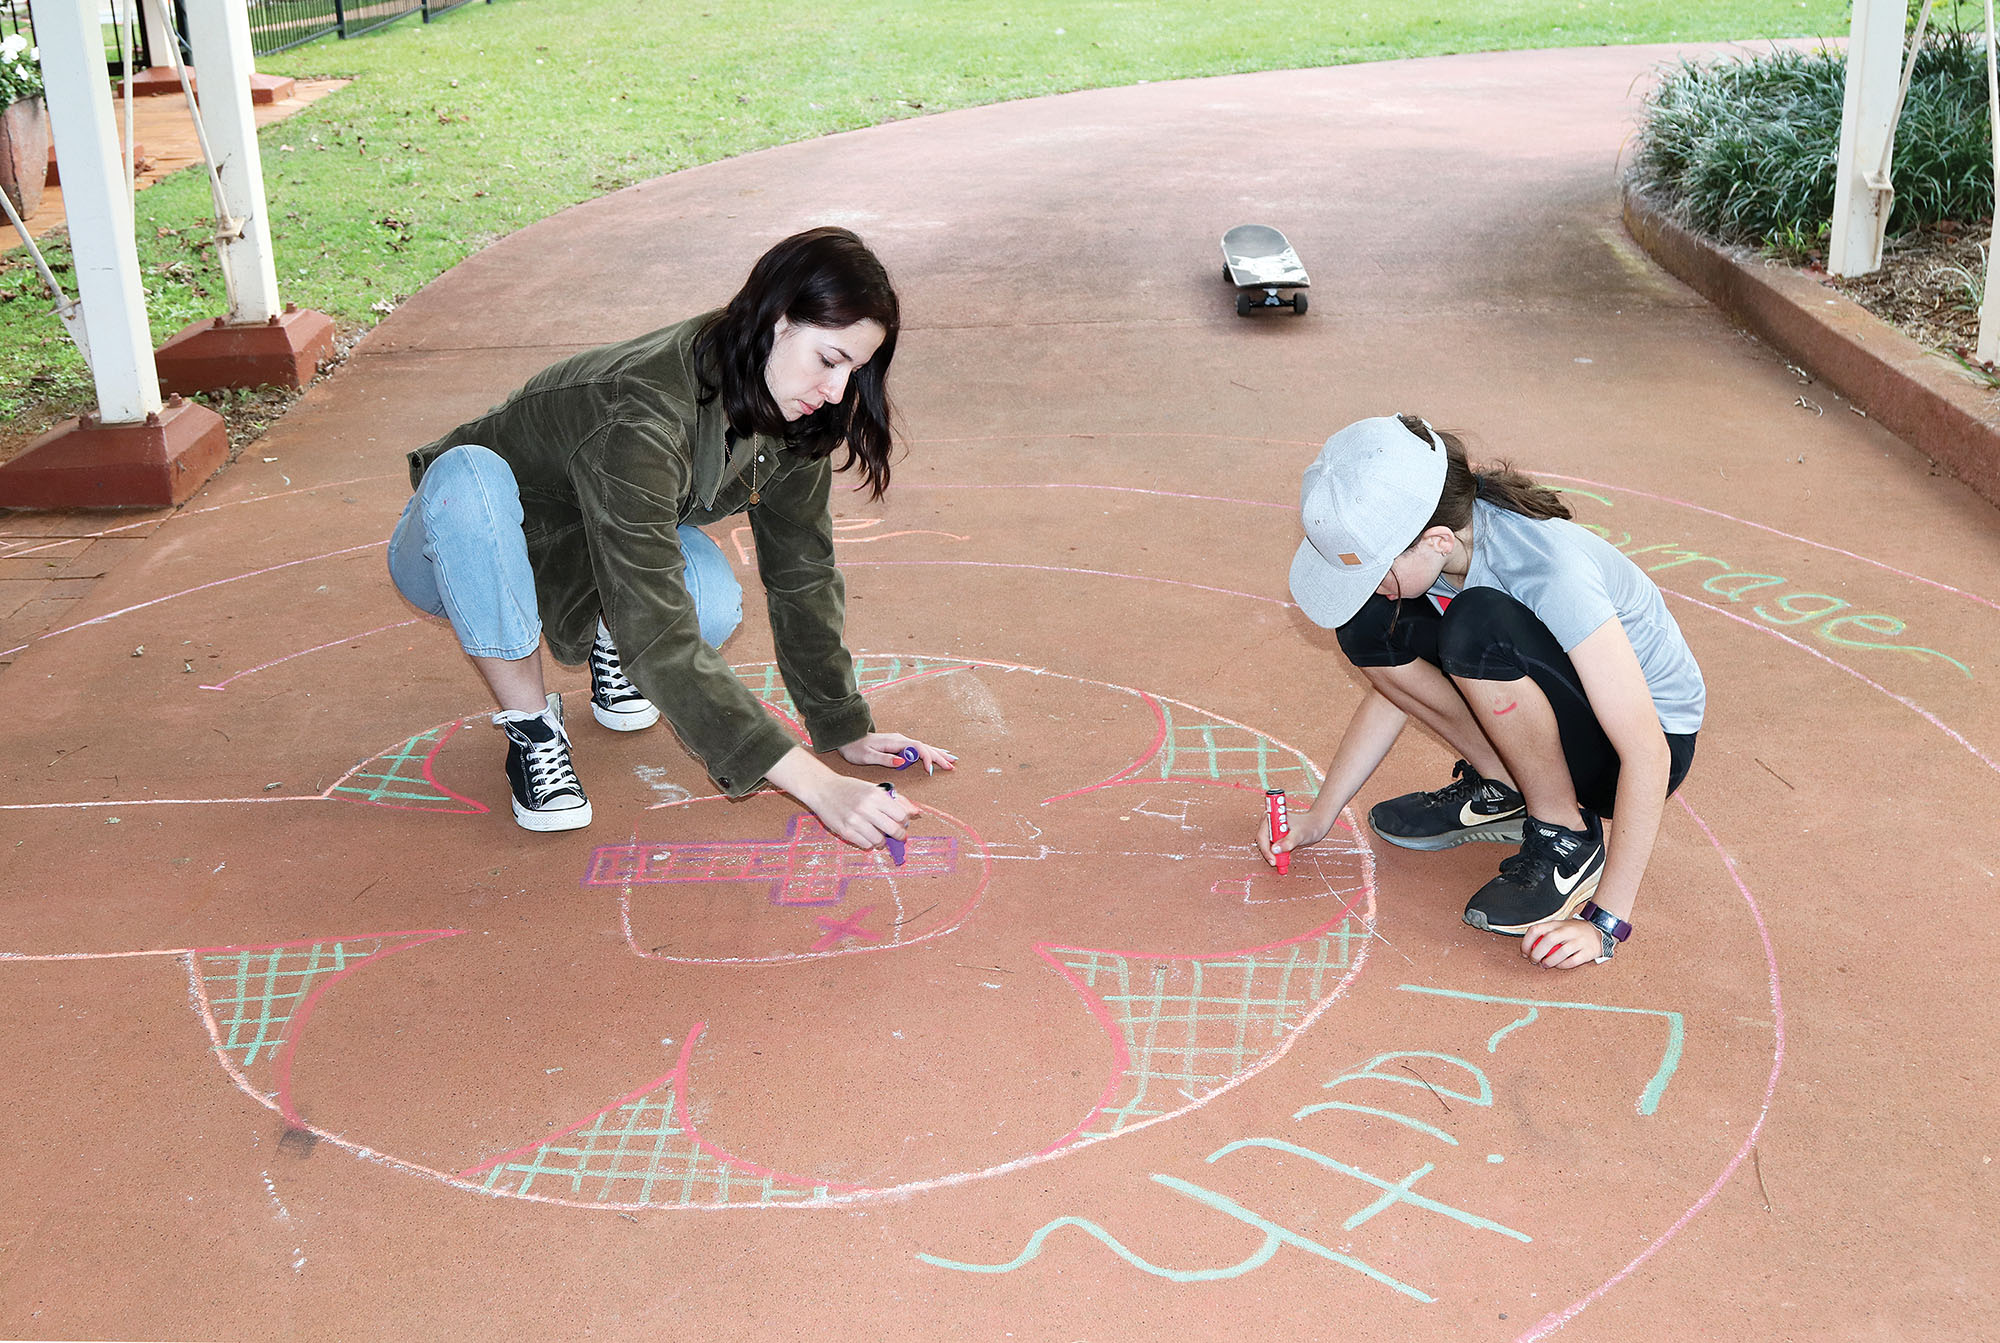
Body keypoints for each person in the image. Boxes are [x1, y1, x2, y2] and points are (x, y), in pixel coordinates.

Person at [388, 226, 953, 842]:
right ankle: (532, 726)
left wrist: (842, 725)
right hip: (457, 550)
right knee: (471, 477)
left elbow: (802, 573)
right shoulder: (645, 411)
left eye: (855, 369)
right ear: (775, 321)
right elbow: (660, 630)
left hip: (586, 550)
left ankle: (613, 641)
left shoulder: (792, 404)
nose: (838, 390)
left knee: (708, 593)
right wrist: (816, 784)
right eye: (829, 360)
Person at [1259, 414, 1703, 970]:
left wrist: (1606, 923)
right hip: (1565, 716)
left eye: (1375, 569)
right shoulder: (1447, 550)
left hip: (1631, 754)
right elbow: (1396, 691)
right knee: (1371, 623)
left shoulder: (1546, 566)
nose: (1370, 584)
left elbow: (1647, 749)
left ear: (1436, 540)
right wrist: (1322, 814)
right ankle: (1503, 787)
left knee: (1477, 624)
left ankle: (1565, 833)